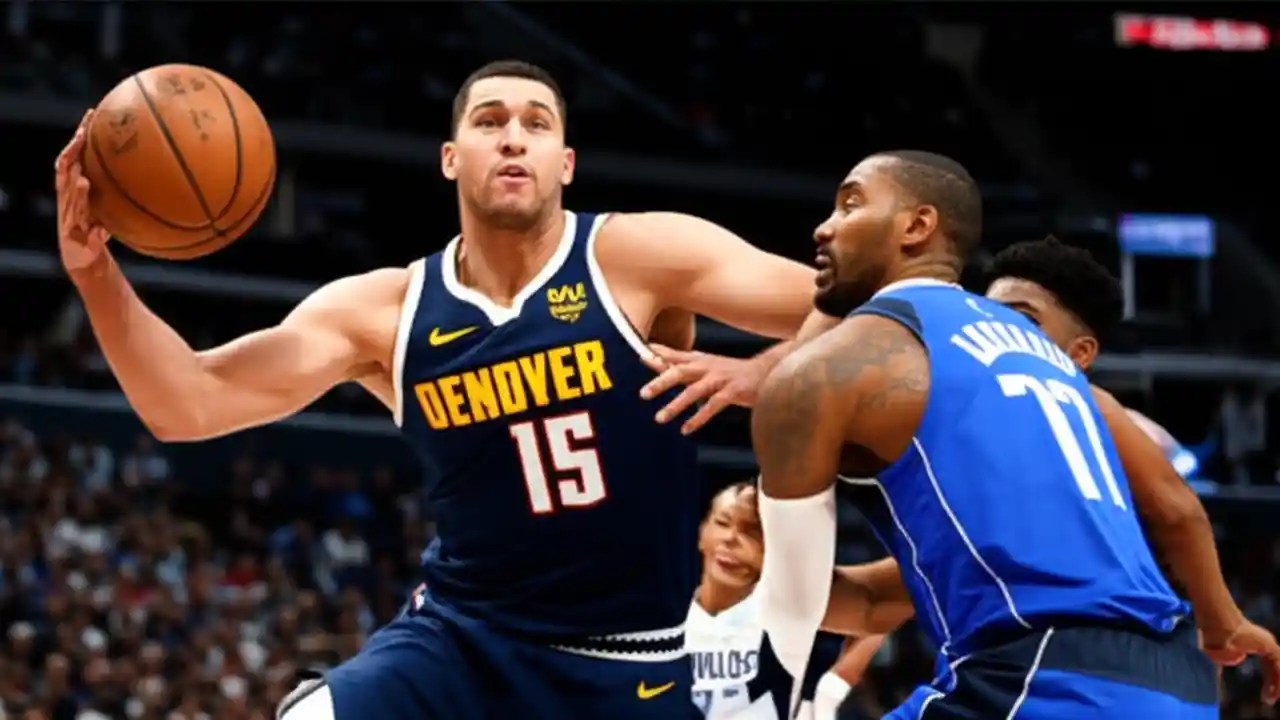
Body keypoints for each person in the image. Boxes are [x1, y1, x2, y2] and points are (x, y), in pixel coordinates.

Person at [54, 59, 827, 720]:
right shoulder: (385, 311)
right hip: (461, 640)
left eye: (537, 122)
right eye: (490, 121)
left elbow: (862, 308)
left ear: (566, 162)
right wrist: (94, 270)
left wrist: (766, 374)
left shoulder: (641, 255)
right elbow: (186, 401)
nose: (514, 135)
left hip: (626, 659)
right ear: (452, 158)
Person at [748, 150, 1280, 718]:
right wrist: (1224, 621)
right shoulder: (1070, 386)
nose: (823, 225)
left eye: (851, 203)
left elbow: (792, 613)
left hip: (1040, 679)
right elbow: (1178, 510)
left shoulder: (827, 373)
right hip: (1180, 684)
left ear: (918, 226)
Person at [685, 481, 857, 719]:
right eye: (723, 523)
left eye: (752, 532)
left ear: (772, 549)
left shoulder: (783, 612)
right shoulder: (663, 615)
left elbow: (876, 607)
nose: (731, 539)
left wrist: (833, 688)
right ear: (702, 532)